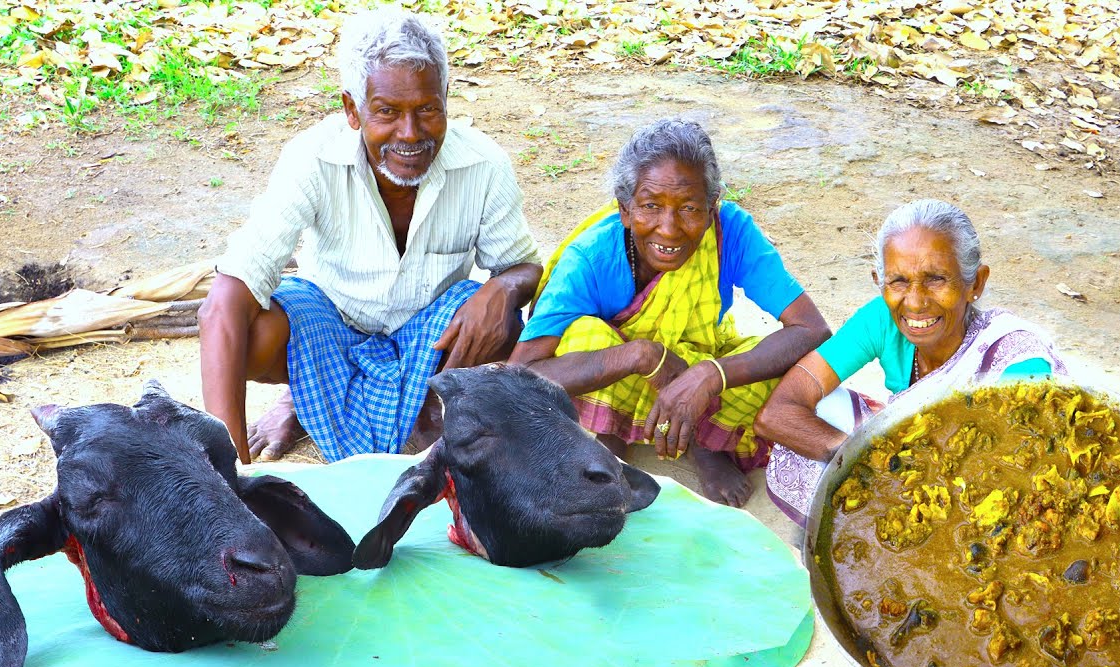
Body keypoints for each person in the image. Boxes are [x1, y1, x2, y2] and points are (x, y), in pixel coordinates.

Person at [198, 7, 541, 464]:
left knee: (501, 325)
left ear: (446, 100)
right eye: (387, 112)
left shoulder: (484, 164)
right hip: (331, 325)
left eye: (427, 110)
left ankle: (380, 404)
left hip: (428, 337)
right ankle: (305, 400)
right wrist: (227, 474)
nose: (411, 134)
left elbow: (524, 266)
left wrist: (505, 285)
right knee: (252, 333)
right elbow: (223, 302)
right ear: (352, 111)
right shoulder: (311, 159)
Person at [509, 119, 831, 507]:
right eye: (650, 206)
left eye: (689, 208)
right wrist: (640, 355)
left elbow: (811, 329)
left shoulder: (731, 232)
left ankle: (701, 442)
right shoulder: (591, 257)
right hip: (625, 376)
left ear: (712, 209)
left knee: (786, 370)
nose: (669, 228)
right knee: (585, 337)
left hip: (697, 358)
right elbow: (523, 374)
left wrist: (712, 375)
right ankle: (614, 438)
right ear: (625, 209)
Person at [755, 198, 1067, 526]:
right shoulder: (882, 319)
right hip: (905, 463)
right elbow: (776, 414)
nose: (915, 303)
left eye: (935, 279)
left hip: (979, 498)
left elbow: (1018, 477)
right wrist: (865, 458)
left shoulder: (1014, 361)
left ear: (975, 283)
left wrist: (893, 473)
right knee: (814, 414)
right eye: (898, 281)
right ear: (880, 280)